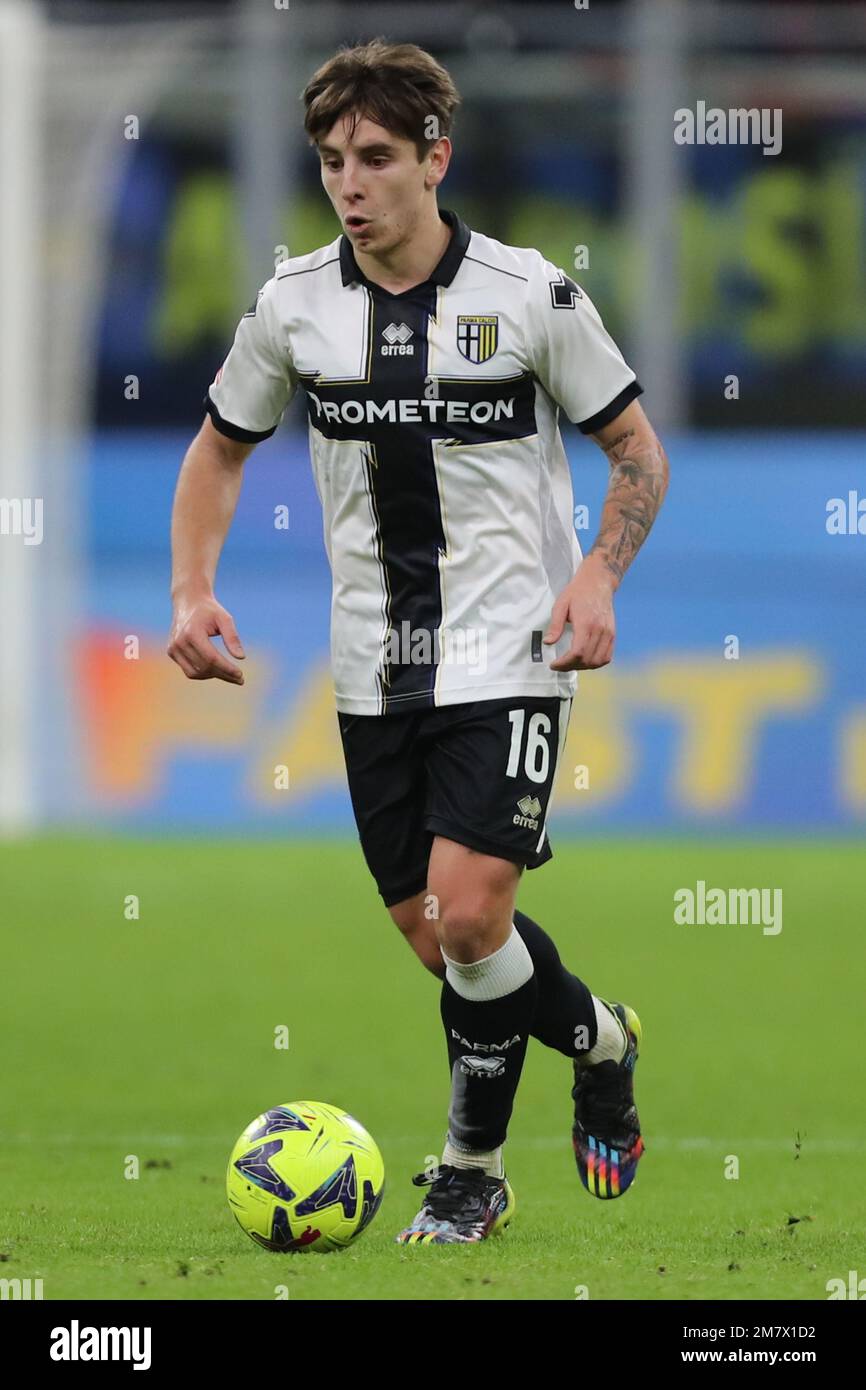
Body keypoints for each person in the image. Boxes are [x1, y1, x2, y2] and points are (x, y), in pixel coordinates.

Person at [168, 38, 669, 1245]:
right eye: (332, 159)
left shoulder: (530, 296)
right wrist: (190, 591)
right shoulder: (292, 305)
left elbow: (636, 452)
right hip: (367, 664)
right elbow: (219, 450)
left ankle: (468, 1173)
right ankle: (597, 1037)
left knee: (468, 915)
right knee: (440, 942)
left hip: (510, 650)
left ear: (433, 159)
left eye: (376, 157)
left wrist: (597, 574)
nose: (348, 180)